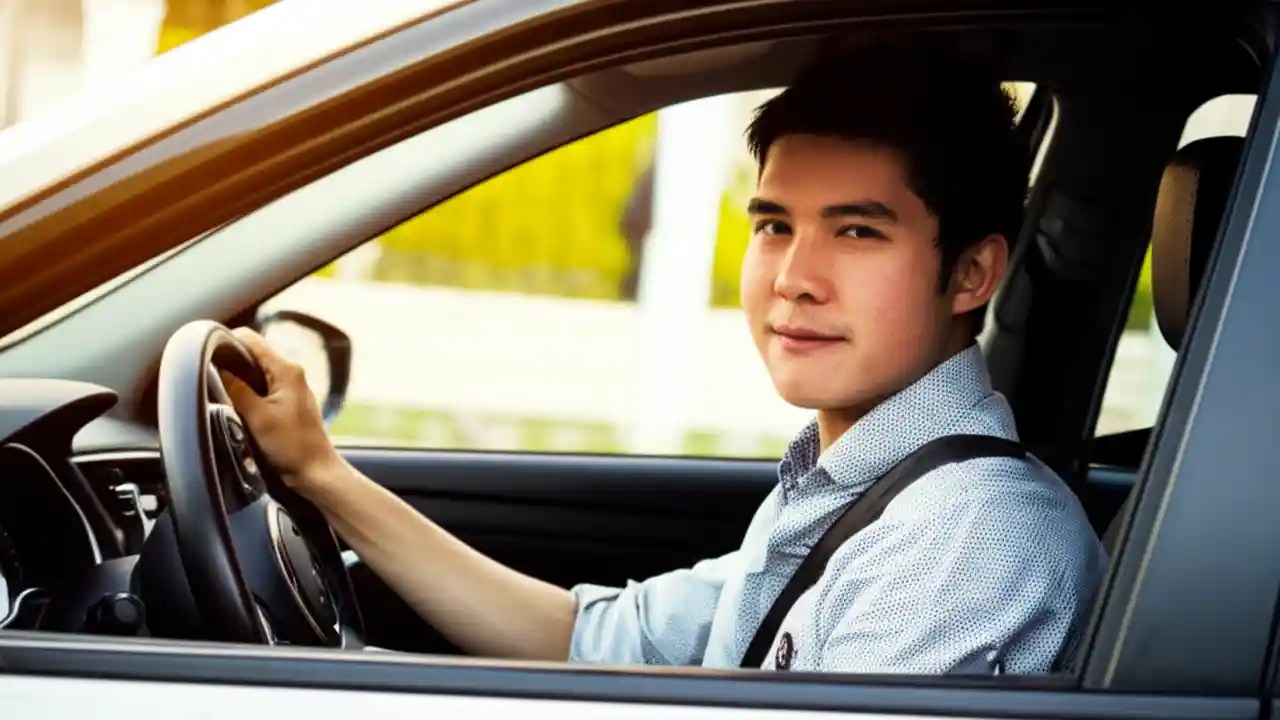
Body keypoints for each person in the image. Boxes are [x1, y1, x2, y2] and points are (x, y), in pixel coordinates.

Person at [222, 45, 1106, 674]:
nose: (794, 279)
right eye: (774, 226)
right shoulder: (856, 483)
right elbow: (588, 638)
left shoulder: (969, 543)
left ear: (973, 272)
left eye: (858, 232)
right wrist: (322, 475)